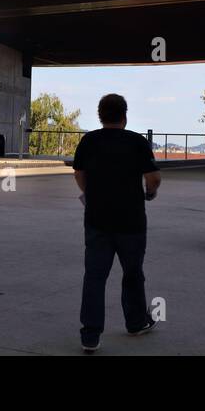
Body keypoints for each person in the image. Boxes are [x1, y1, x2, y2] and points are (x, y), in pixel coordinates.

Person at [71, 93, 161, 353]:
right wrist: (150, 192)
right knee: (133, 274)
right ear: (125, 115)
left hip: (97, 219)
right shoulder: (137, 142)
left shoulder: (89, 141)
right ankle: (135, 322)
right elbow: (153, 177)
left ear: (100, 115)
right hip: (131, 220)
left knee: (95, 276)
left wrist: (91, 194)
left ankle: (90, 334)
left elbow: (78, 173)